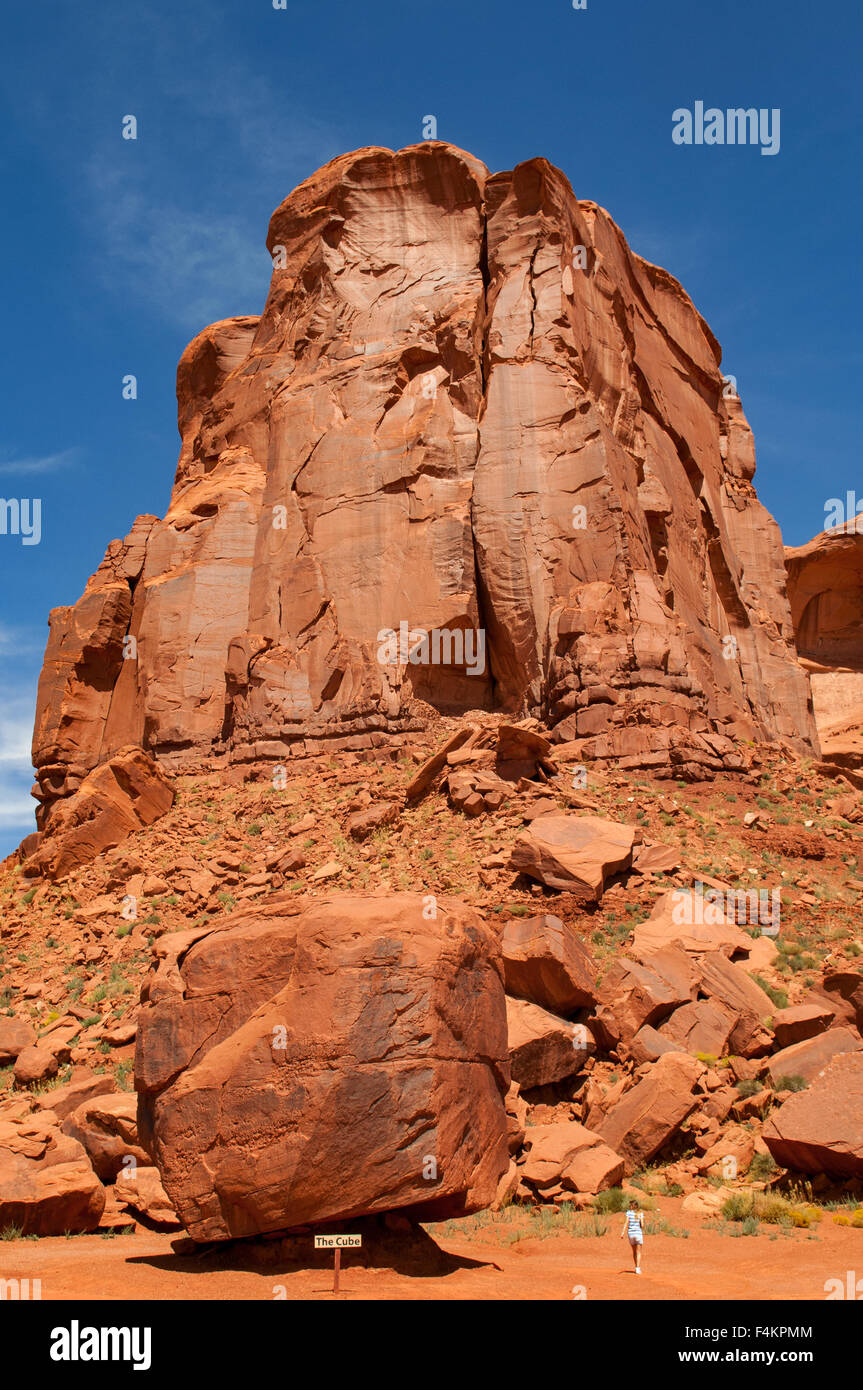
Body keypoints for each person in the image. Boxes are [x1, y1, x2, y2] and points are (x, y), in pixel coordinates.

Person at [621, 1198, 644, 1273]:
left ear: (632, 1206)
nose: (629, 1206)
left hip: (631, 1233)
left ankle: (636, 1267)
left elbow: (626, 1223)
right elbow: (642, 1225)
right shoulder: (640, 1213)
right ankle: (638, 1268)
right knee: (639, 1251)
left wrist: (622, 1233)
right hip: (638, 1233)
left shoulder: (629, 1213)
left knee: (634, 1251)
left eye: (630, 1205)